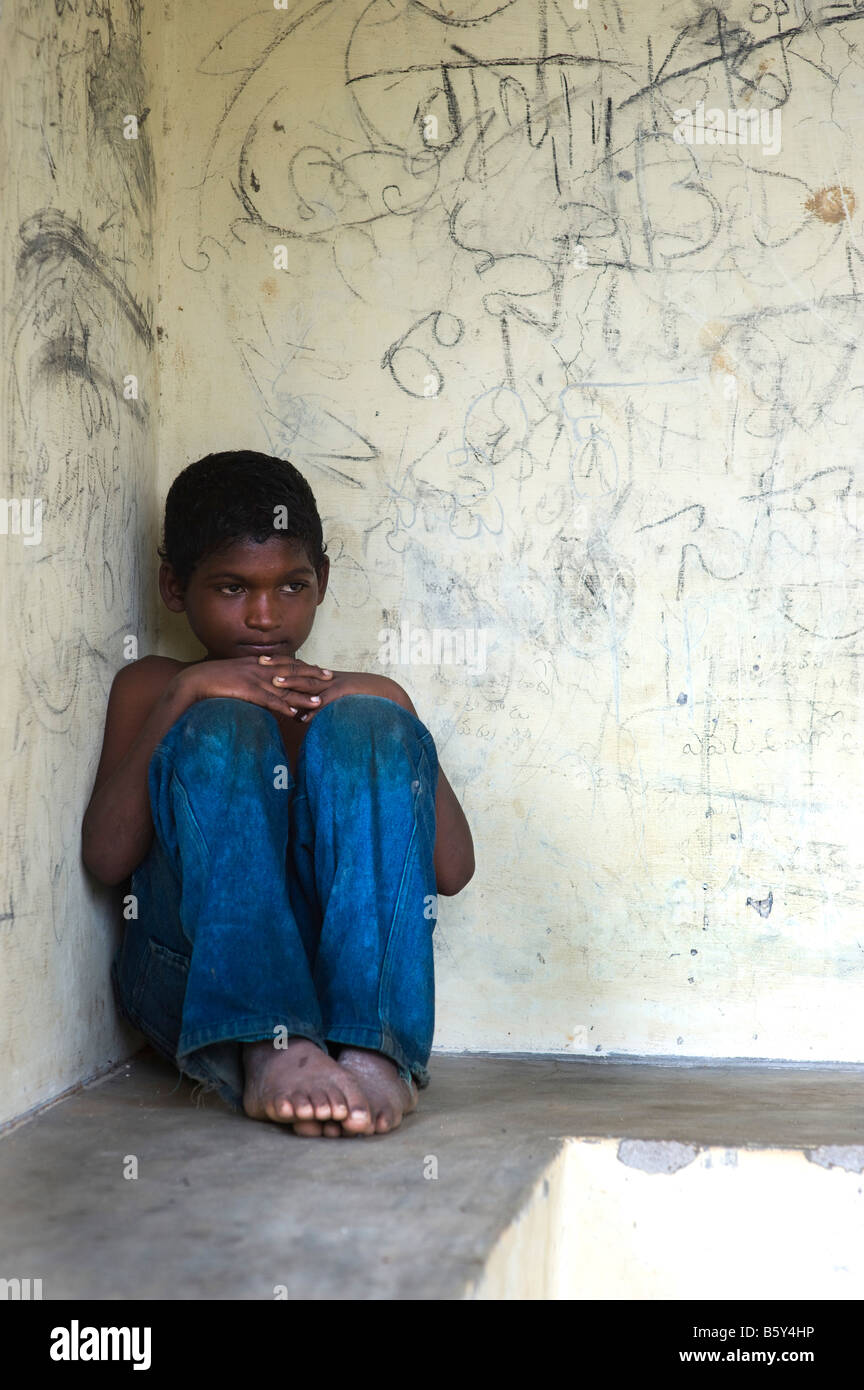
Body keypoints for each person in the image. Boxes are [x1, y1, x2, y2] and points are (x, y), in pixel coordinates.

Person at [81, 450, 475, 1137]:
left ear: (321, 581)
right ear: (176, 586)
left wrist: (393, 709)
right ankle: (269, 1043)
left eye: (291, 586)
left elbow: (452, 870)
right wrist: (186, 695)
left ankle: (375, 1050)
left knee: (369, 725)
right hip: (191, 984)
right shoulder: (154, 687)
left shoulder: (354, 700)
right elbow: (108, 860)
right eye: (232, 588)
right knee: (224, 726)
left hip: (337, 999)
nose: (264, 616)